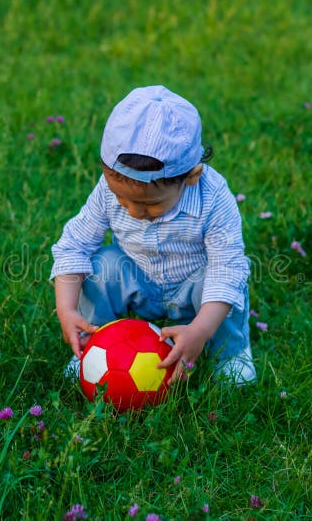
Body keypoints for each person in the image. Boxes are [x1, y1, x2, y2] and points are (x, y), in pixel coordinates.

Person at [50, 85, 256, 386]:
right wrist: (67, 309)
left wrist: (198, 330)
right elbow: (74, 245)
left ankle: (231, 354)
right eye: (123, 200)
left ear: (191, 176)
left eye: (150, 204)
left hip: (193, 288)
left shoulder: (213, 198)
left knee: (221, 279)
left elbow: (228, 269)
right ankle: (93, 346)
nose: (133, 212)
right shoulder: (109, 188)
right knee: (102, 264)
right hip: (140, 282)